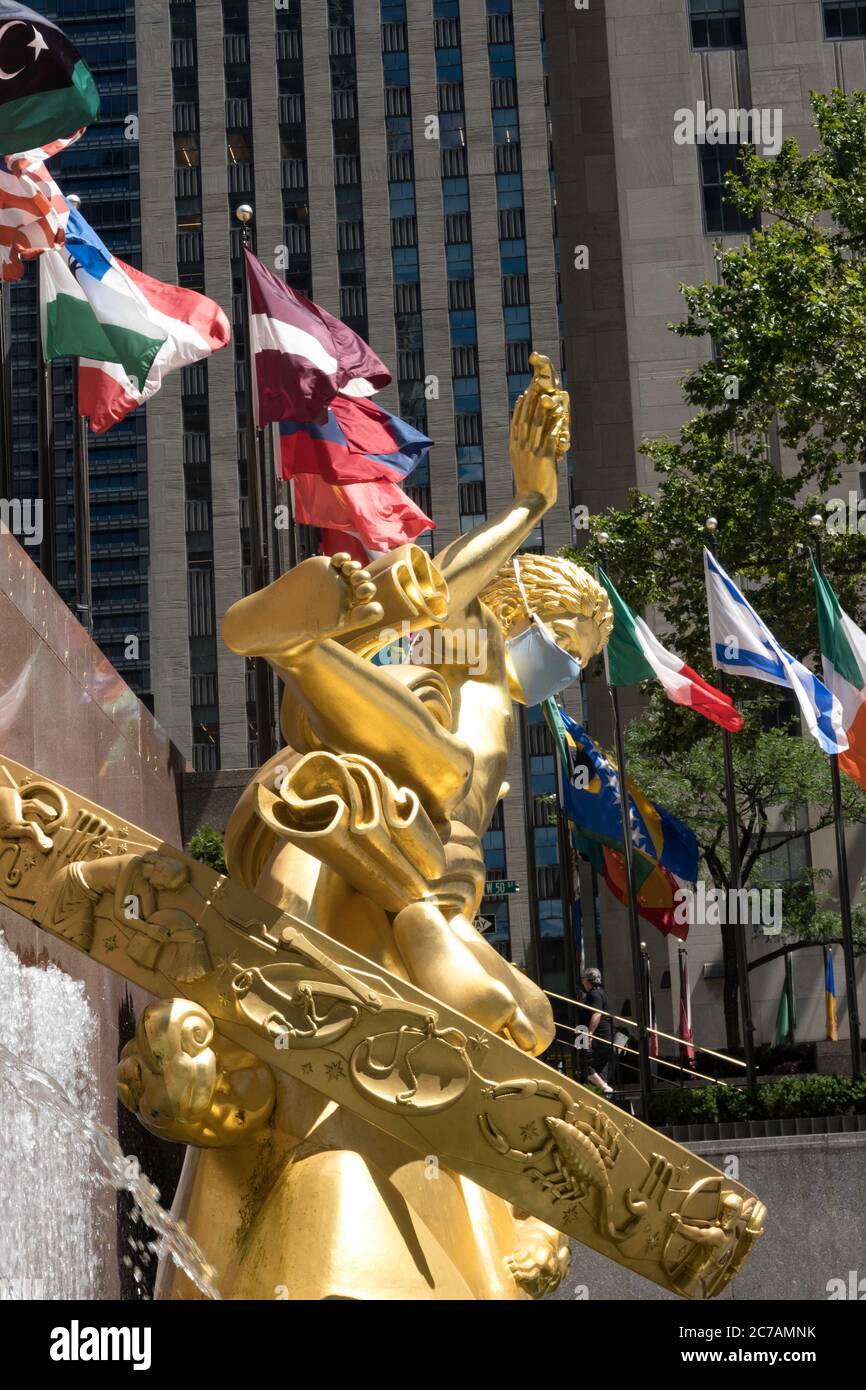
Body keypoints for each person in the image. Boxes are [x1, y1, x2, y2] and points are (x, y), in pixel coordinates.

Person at [581, 966, 614, 1095]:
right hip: (603, 1035)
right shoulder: (601, 992)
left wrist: (590, 1033)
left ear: (588, 980)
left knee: (584, 1063)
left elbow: (596, 1014)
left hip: (597, 1035)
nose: (583, 982)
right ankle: (605, 1093)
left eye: (583, 979)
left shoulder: (594, 994)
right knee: (600, 1067)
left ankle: (605, 1088)